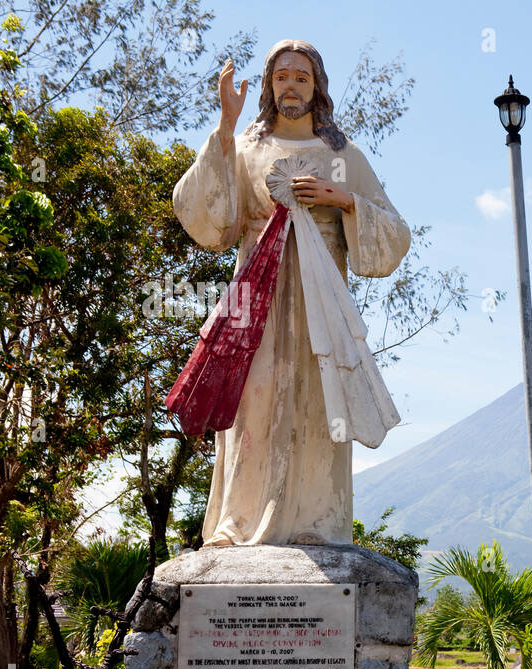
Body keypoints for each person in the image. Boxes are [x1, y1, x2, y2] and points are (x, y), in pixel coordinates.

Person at [172, 39, 411, 546]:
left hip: (320, 298)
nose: (292, 85)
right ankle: (237, 522)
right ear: (269, 85)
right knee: (252, 400)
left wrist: (342, 200)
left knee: (321, 401)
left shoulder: (341, 156)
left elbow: (395, 231)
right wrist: (225, 125)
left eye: (302, 77)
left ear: (317, 85)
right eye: (282, 76)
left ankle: (317, 521)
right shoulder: (247, 149)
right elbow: (212, 219)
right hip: (256, 294)